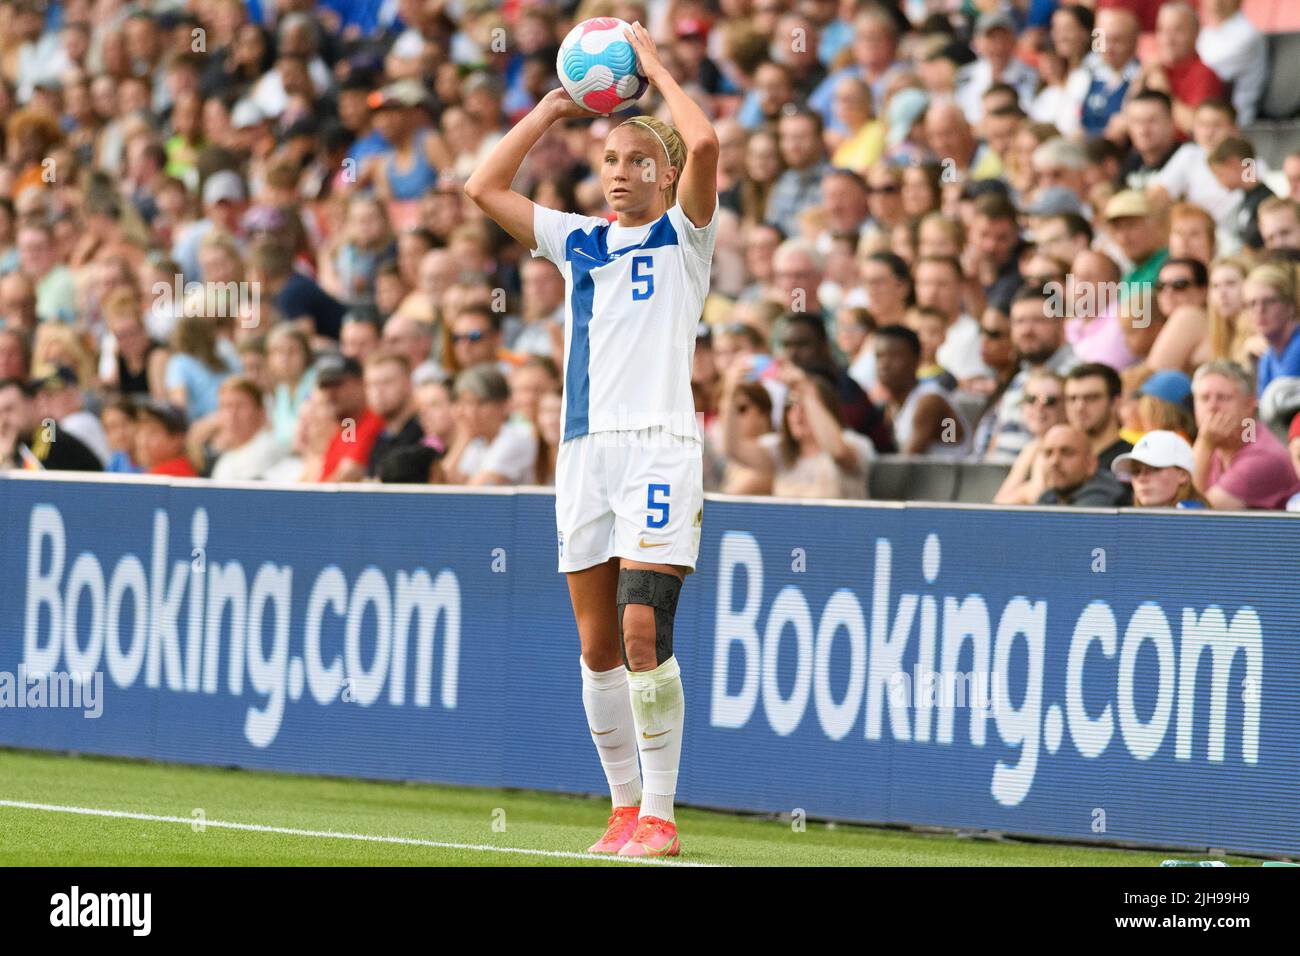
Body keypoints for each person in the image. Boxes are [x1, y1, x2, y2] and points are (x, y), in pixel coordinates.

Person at [463, 21, 719, 858]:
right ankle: (620, 809)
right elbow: (482, 186)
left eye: (638, 161)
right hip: (584, 452)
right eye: (609, 161)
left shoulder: (684, 238)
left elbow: (708, 139)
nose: (619, 174)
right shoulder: (579, 241)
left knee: (645, 633)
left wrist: (651, 67)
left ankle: (663, 817)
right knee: (598, 646)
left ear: (667, 174)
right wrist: (547, 109)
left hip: (658, 446)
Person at [1191, 360, 1300, 509]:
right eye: (1204, 398)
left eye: (1223, 398)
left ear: (1249, 405)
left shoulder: (1262, 457)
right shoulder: (1216, 443)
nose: (1212, 407)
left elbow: (1195, 514)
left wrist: (1204, 444)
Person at [873, 324, 967, 456]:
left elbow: (905, 463)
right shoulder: (891, 405)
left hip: (954, 475)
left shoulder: (930, 401)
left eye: (894, 356)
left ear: (917, 359)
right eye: (879, 356)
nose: (884, 364)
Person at [210, 375, 286, 481]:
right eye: (226, 406)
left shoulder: (266, 450)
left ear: (261, 413)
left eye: (240, 406)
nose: (232, 415)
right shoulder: (225, 460)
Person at [1036, 423, 1131, 506]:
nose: (1054, 461)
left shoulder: (1101, 496)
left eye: (1066, 453)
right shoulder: (1050, 495)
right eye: (1048, 453)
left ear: (1090, 464)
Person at [1111, 429, 1209, 507]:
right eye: (1136, 471)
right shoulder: (1130, 523)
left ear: (1182, 475)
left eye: (1154, 468)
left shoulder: (1198, 523)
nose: (1141, 478)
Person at [1064, 363, 1133, 470]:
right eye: (1072, 399)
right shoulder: (1061, 461)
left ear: (1116, 402)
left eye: (1091, 398)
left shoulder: (1130, 462)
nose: (1079, 407)